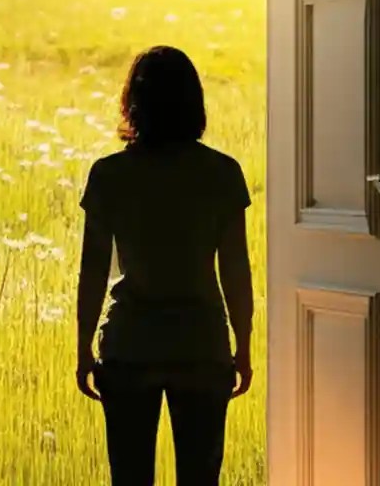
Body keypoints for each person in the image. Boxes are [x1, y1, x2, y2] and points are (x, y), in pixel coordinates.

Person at [75, 45, 254, 486]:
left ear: (133, 102)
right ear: (194, 102)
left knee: (130, 477)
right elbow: (235, 270)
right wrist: (244, 344)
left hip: (131, 345)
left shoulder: (109, 175)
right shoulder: (222, 174)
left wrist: (83, 347)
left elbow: (93, 272)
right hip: (201, 344)